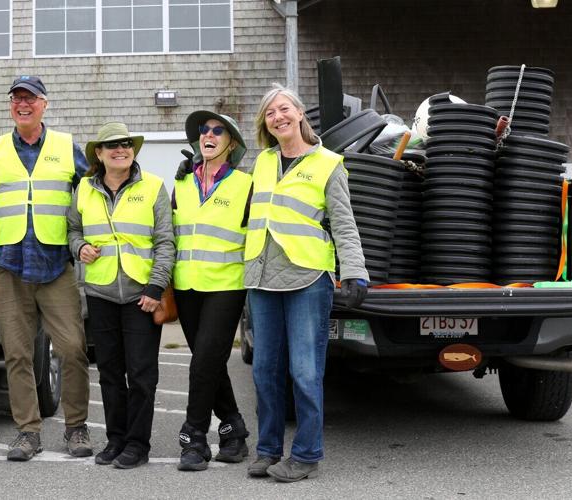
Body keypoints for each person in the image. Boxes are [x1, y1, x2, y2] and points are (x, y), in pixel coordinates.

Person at [0, 75, 92, 462]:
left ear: (44, 104)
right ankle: (27, 432)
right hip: (8, 267)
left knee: (72, 350)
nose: (23, 104)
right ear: (10, 105)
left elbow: (96, 192)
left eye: (30, 99)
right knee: (17, 354)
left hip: (55, 266)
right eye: (17, 98)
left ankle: (76, 427)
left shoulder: (68, 147)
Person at [245, 84, 369, 482]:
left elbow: (344, 224)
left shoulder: (328, 163)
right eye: (269, 114)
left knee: (304, 370)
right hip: (262, 277)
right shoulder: (262, 162)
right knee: (264, 370)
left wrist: (355, 272)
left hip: (307, 277)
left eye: (283, 109)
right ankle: (267, 450)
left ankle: (307, 454)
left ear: (300, 114)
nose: (277, 117)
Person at [67, 122, 174, 470]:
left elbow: (165, 243)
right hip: (100, 293)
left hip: (141, 294)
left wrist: (156, 288)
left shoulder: (154, 187)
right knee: (111, 372)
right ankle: (116, 439)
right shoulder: (83, 189)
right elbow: (72, 230)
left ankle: (137, 444)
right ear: (98, 154)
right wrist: (80, 247)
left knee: (141, 374)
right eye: (111, 145)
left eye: (126, 144)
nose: (120, 149)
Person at [171, 111, 253, 471]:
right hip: (186, 284)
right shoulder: (182, 184)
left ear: (231, 143)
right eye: (204, 130)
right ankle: (233, 430)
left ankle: (195, 438)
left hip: (226, 285)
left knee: (204, 360)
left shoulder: (245, 185)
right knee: (211, 363)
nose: (209, 134)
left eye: (218, 131)